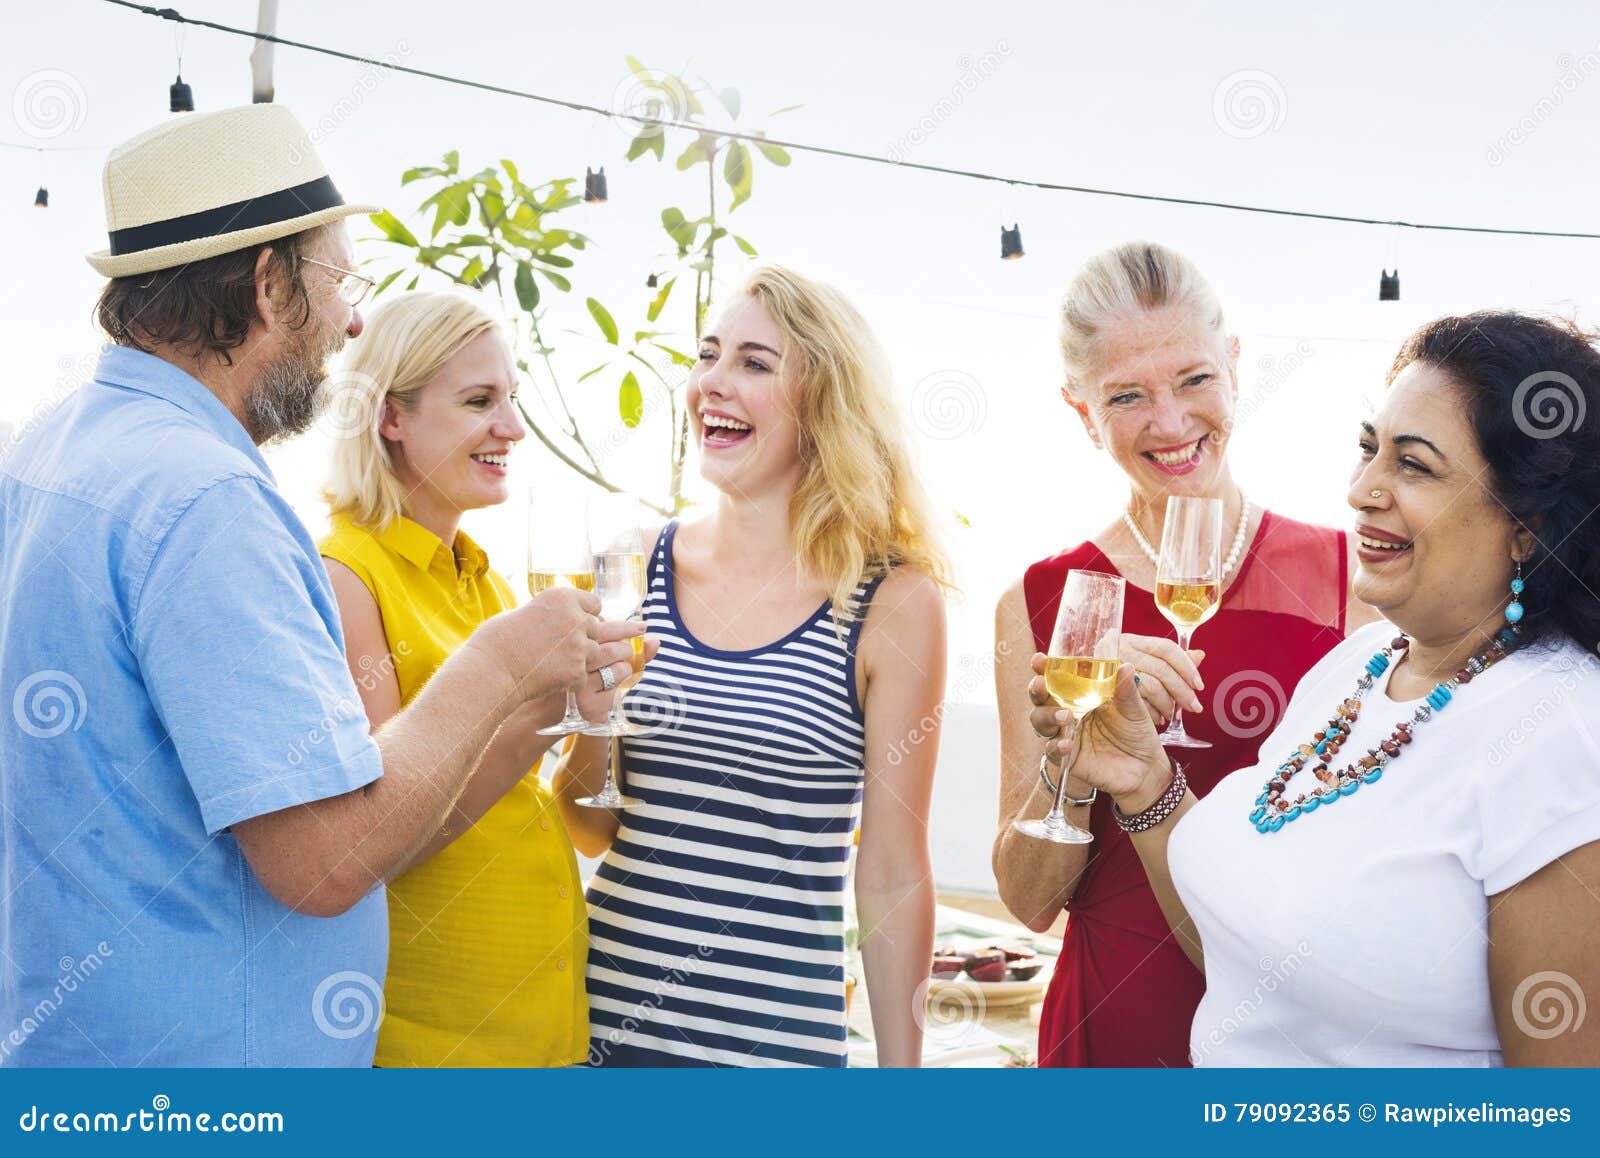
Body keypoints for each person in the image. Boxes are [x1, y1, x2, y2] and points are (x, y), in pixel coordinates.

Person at [0, 105, 637, 1067]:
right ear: (267, 287)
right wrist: (503, 662)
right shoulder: (206, 499)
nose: (352, 321)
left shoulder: (45, 451)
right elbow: (324, 862)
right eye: (340, 280)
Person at [1065, 309, 1600, 1066]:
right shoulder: (1358, 665)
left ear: (1527, 525)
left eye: (1413, 465)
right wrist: (1141, 776)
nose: (1362, 490)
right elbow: (1248, 958)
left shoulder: (1562, 733)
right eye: (1367, 449)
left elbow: (1559, 1118)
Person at [992, 241, 1379, 1067]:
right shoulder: (1043, 601)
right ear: (1081, 413)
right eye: (1126, 395)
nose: (1170, 424)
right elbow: (1028, 903)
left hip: (1290, 1043)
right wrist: (1070, 756)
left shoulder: (1353, 585)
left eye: (1195, 379)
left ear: (1235, 367)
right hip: (1106, 1035)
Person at [560, 265, 950, 1067]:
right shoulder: (634, 565)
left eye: (754, 363)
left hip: (778, 1055)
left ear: (824, 405)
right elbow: (588, 825)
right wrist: (591, 725)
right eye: (709, 356)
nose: (713, 384)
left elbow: (890, 870)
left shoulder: (892, 602)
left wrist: (902, 1083)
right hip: (599, 1036)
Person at [319, 291, 653, 1066]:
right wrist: (543, 703)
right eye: (479, 401)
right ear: (389, 417)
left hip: (549, 1024)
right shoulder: (347, 578)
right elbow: (377, 837)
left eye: (512, 399)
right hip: (437, 1039)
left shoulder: (490, 586)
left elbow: (574, 823)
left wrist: (593, 715)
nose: (511, 427)